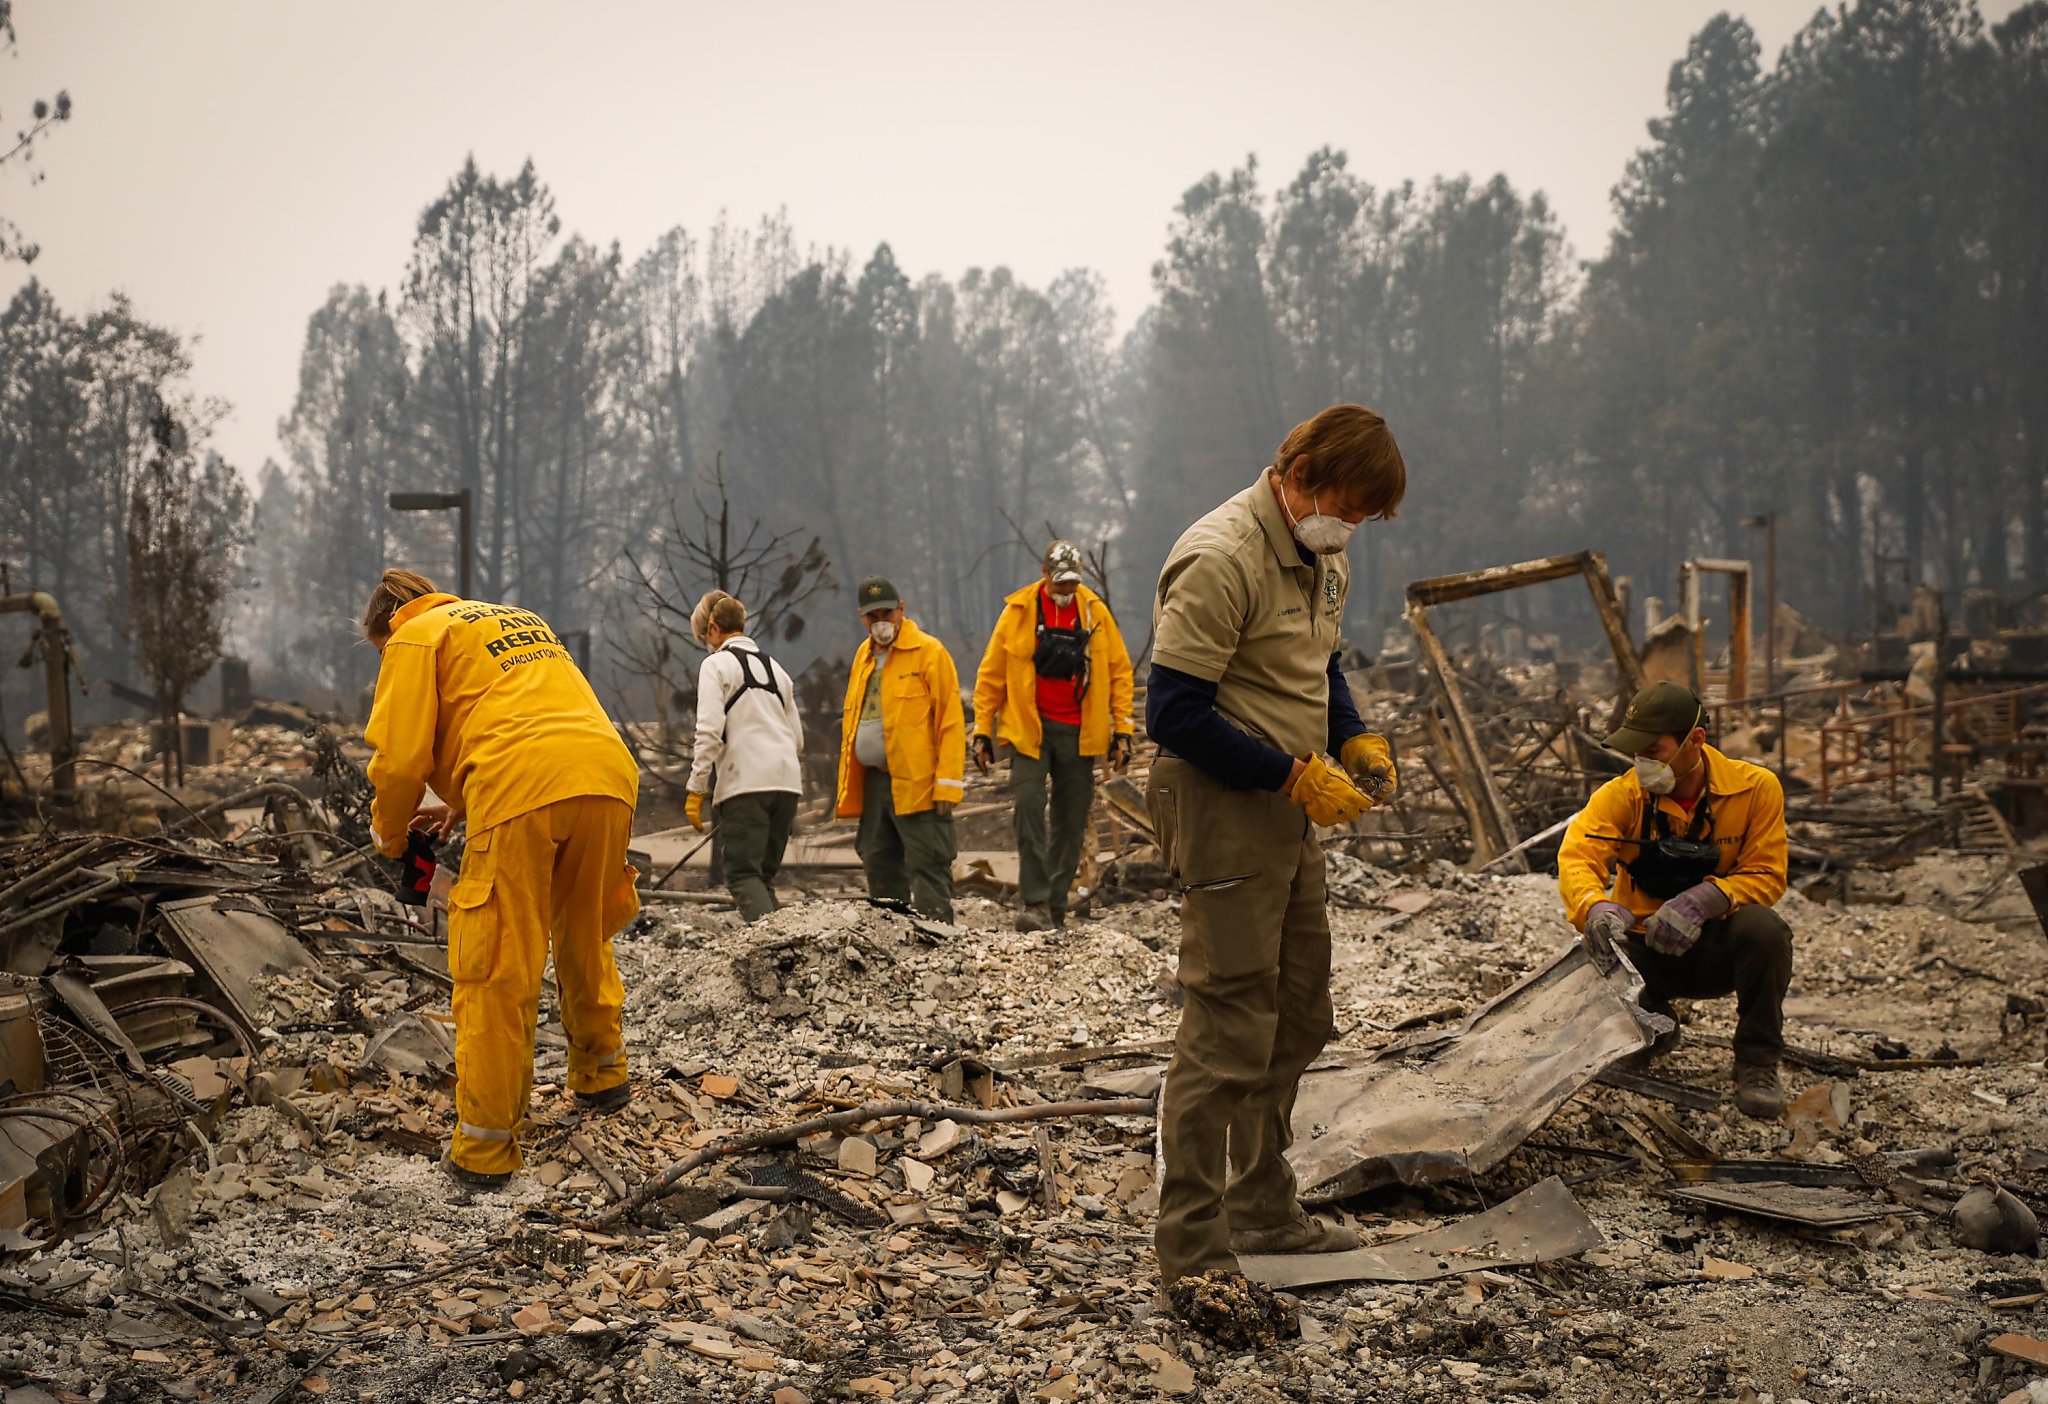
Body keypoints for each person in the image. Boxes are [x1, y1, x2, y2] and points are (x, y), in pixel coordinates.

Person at [1144, 404, 1405, 1292]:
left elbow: (1318, 665)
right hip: (1222, 799)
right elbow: (1174, 713)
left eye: (1365, 517)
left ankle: (1261, 1205)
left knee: (1298, 1011)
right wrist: (1290, 775)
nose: (1351, 527)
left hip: (1286, 803)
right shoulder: (1221, 557)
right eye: (1347, 507)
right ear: (1297, 476)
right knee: (1227, 1022)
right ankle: (1191, 1247)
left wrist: (1352, 736)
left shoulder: (1322, 553)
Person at [360, 569, 641, 1191]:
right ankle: (602, 1075)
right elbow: (530, 721)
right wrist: (460, 804)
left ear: (387, 626)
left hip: (520, 787)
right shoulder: (515, 620)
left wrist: (390, 836)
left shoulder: (413, 638)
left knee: (494, 966)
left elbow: (399, 762)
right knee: (584, 929)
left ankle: (483, 1151)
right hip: (607, 775)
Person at [1558, 680, 1792, 1119]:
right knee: (1587, 952)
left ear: (1695, 740)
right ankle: (1650, 1029)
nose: (1643, 762)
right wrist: (1595, 906)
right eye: (1637, 752)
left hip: (1717, 948)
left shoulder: (1756, 788)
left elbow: (1768, 873)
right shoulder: (1620, 796)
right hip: (1644, 952)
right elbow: (1577, 858)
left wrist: (1709, 898)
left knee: (1767, 930)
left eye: (1654, 750)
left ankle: (1758, 1062)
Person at [971, 540, 1136, 931]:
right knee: (1028, 806)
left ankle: (1054, 906)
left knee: (1071, 819)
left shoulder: (1094, 612)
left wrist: (1123, 731)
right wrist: (982, 731)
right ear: (1044, 574)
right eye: (1060, 582)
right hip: (1030, 729)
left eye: (1072, 583)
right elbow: (991, 675)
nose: (1066, 590)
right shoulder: (1018, 612)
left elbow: (1119, 673)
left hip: (1081, 733)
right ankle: (1035, 900)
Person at [836, 576, 966, 923]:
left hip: (919, 782)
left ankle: (937, 937)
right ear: (862, 617)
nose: (881, 622)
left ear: (901, 609)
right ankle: (891, 941)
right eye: (873, 616)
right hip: (875, 782)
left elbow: (950, 722)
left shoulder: (929, 652)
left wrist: (948, 784)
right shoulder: (863, 657)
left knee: (928, 860)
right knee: (878, 860)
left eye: (887, 613)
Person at [685, 590, 803, 923]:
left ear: (713, 629)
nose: (706, 645)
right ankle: (785, 942)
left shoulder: (715, 665)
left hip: (745, 784)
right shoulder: (776, 669)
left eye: (704, 637)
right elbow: (797, 738)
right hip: (787, 784)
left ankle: (771, 945)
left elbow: (709, 730)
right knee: (762, 878)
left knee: (742, 876)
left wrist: (696, 787)